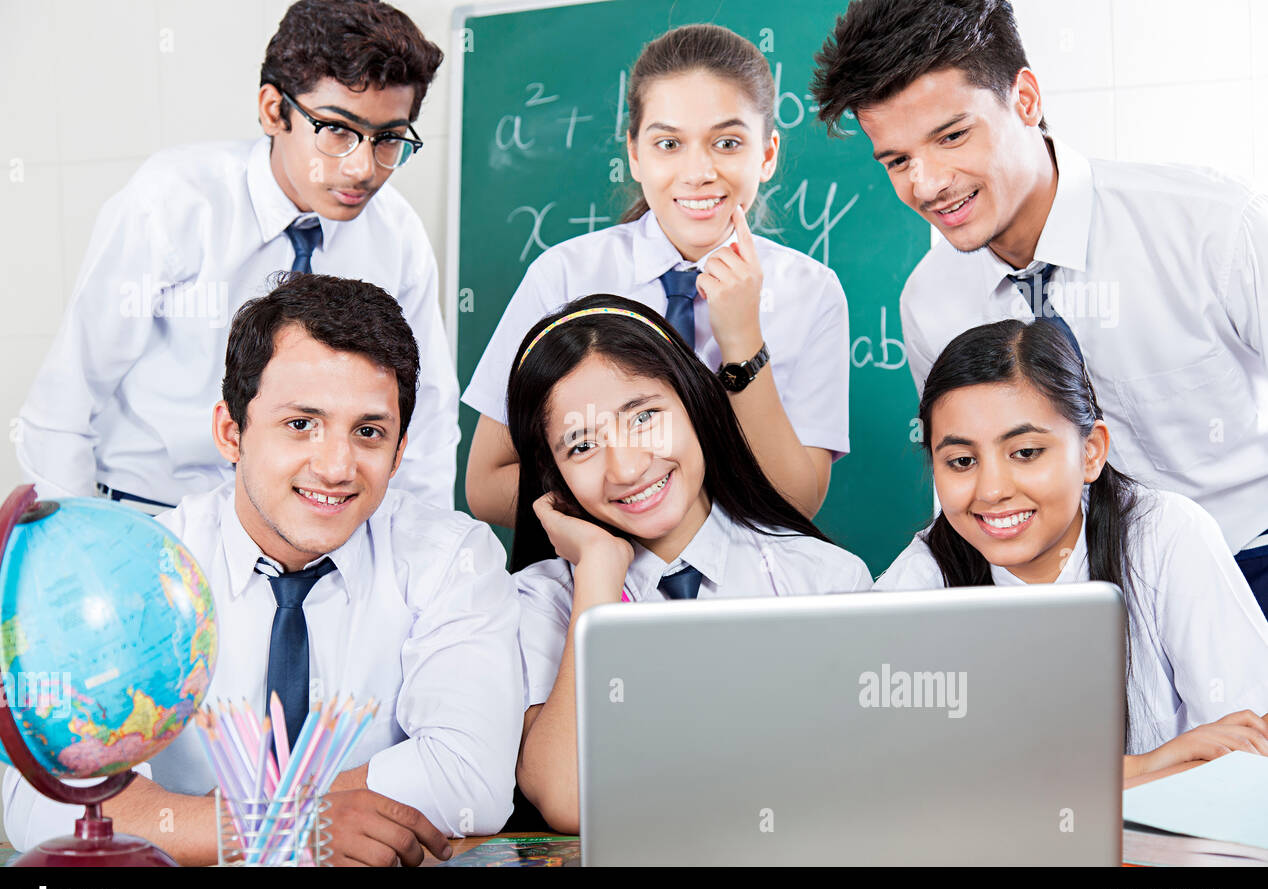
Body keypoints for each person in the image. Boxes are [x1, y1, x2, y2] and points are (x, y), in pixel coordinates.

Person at [3, 274, 523, 866]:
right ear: (232, 432)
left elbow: (470, 779)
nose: (336, 467)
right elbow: (43, 799)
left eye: (369, 432)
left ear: (400, 451)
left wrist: (199, 821)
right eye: (301, 424)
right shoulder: (139, 568)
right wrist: (283, 831)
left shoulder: (452, 558)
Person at [810, 0, 1268, 615]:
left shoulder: (1211, 227)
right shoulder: (930, 302)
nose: (926, 183)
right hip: (1073, 600)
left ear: (1025, 98)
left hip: (1248, 564)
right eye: (897, 160)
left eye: (951, 136)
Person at [15, 0, 459, 513]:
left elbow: (425, 413)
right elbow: (68, 394)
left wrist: (414, 547)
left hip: (314, 523)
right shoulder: (174, 202)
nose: (363, 168)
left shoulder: (397, 232)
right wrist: (81, 540)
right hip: (158, 513)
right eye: (337, 130)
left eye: (388, 139)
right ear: (275, 110)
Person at [508, 294, 872, 832]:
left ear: (696, 403)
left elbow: (860, 784)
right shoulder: (543, 601)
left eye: (645, 418)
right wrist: (599, 573)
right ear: (553, 472)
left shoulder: (823, 580)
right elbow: (566, 799)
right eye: (582, 446)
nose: (628, 467)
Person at [463, 23, 851, 527]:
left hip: (744, 590)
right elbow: (487, 485)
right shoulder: (563, 277)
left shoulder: (813, 293)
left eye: (728, 142)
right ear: (634, 154)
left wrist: (743, 343)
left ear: (768, 154)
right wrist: (626, 505)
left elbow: (797, 504)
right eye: (669, 144)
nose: (698, 172)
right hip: (600, 584)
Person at [874, 320, 1268, 777]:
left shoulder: (1165, 534)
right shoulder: (921, 579)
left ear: (1091, 452)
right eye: (962, 461)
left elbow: (1248, 745)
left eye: (1025, 452)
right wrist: (1147, 767)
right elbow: (896, 780)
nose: (993, 490)